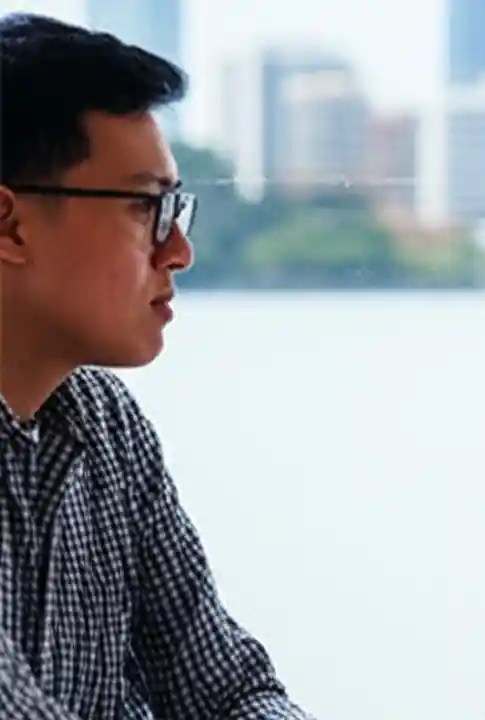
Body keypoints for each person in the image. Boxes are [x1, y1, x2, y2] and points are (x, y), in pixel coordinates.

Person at [0, 13, 310, 718]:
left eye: (177, 208)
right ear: (10, 225)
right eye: (146, 207)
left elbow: (229, 690)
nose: (179, 250)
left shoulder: (105, 426)